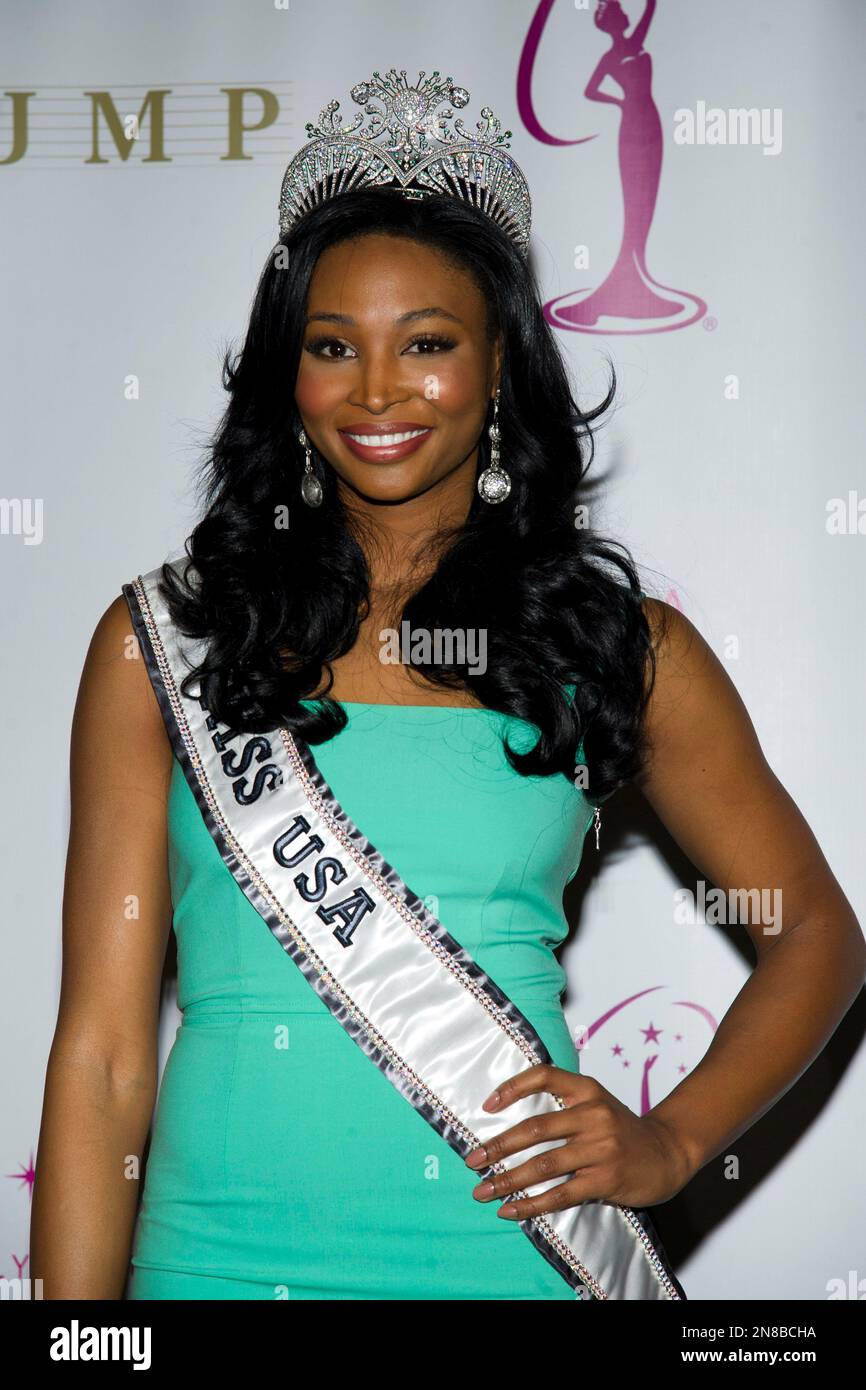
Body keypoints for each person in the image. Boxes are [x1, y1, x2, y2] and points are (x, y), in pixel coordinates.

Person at [31, 68, 864, 1302]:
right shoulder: (165, 641)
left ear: (495, 368)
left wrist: (672, 1140)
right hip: (210, 1266)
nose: (375, 389)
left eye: (425, 343)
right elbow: (103, 1057)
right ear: (289, 374)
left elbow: (816, 938)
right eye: (331, 347)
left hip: (510, 1256)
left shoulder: (611, 646)